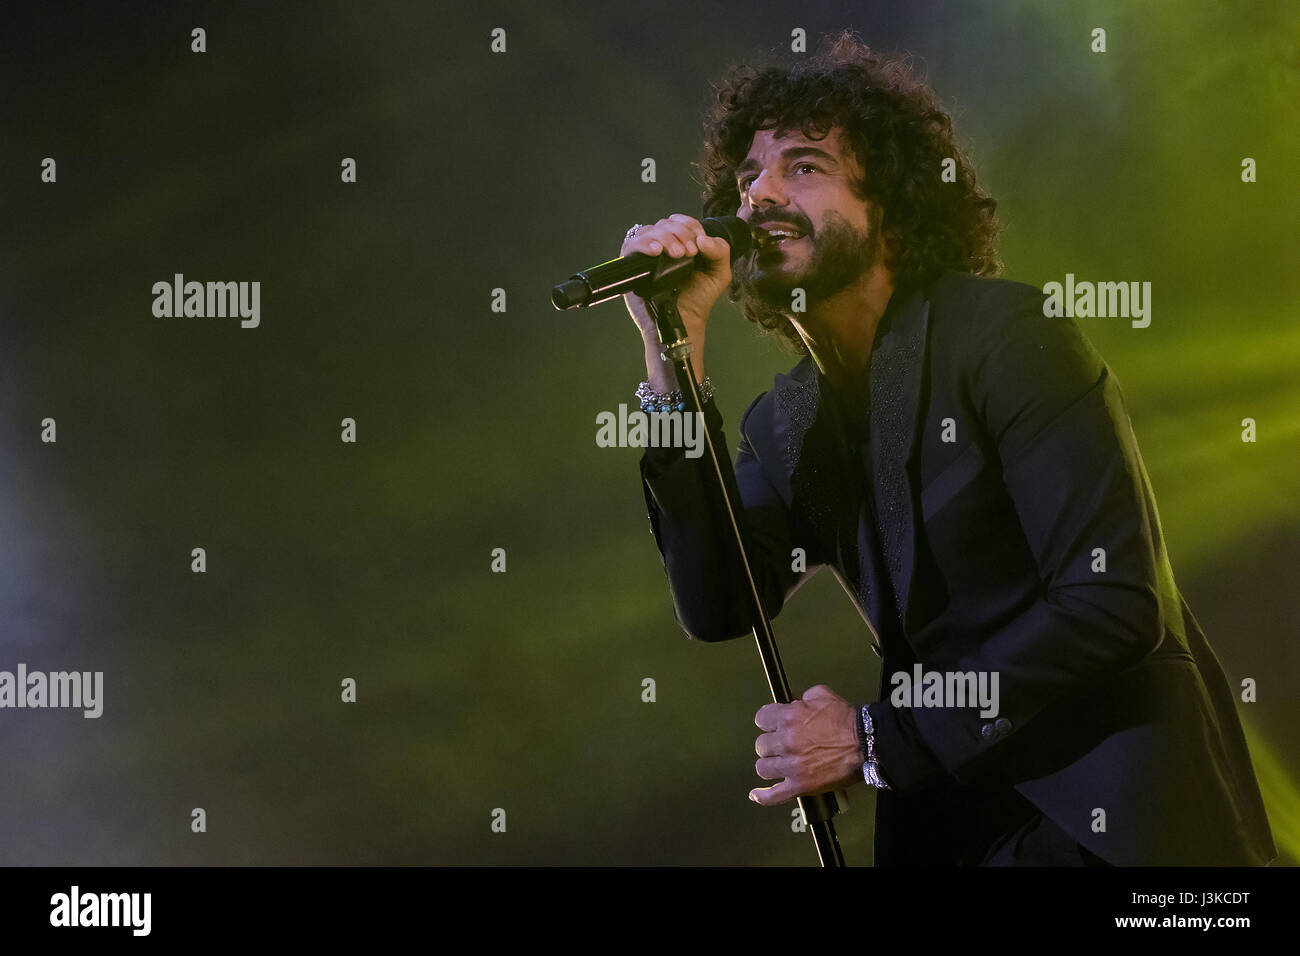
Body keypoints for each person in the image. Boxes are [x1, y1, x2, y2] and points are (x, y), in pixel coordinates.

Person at [626, 31, 1275, 866]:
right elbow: (719, 603)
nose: (758, 197)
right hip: (955, 832)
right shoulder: (786, 423)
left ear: (889, 200)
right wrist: (672, 363)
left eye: (804, 166)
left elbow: (1113, 603)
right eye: (747, 176)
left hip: (1113, 828)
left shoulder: (1007, 336)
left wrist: (872, 734)